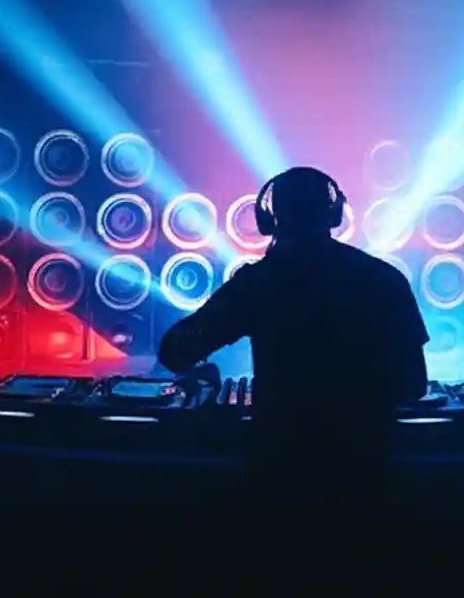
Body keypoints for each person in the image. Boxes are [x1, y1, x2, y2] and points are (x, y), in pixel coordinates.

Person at [158, 166, 429, 569]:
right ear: (334, 214)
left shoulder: (257, 283)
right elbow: (413, 386)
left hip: (279, 473)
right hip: (364, 474)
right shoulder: (384, 279)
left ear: (270, 218)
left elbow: (175, 351)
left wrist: (204, 377)